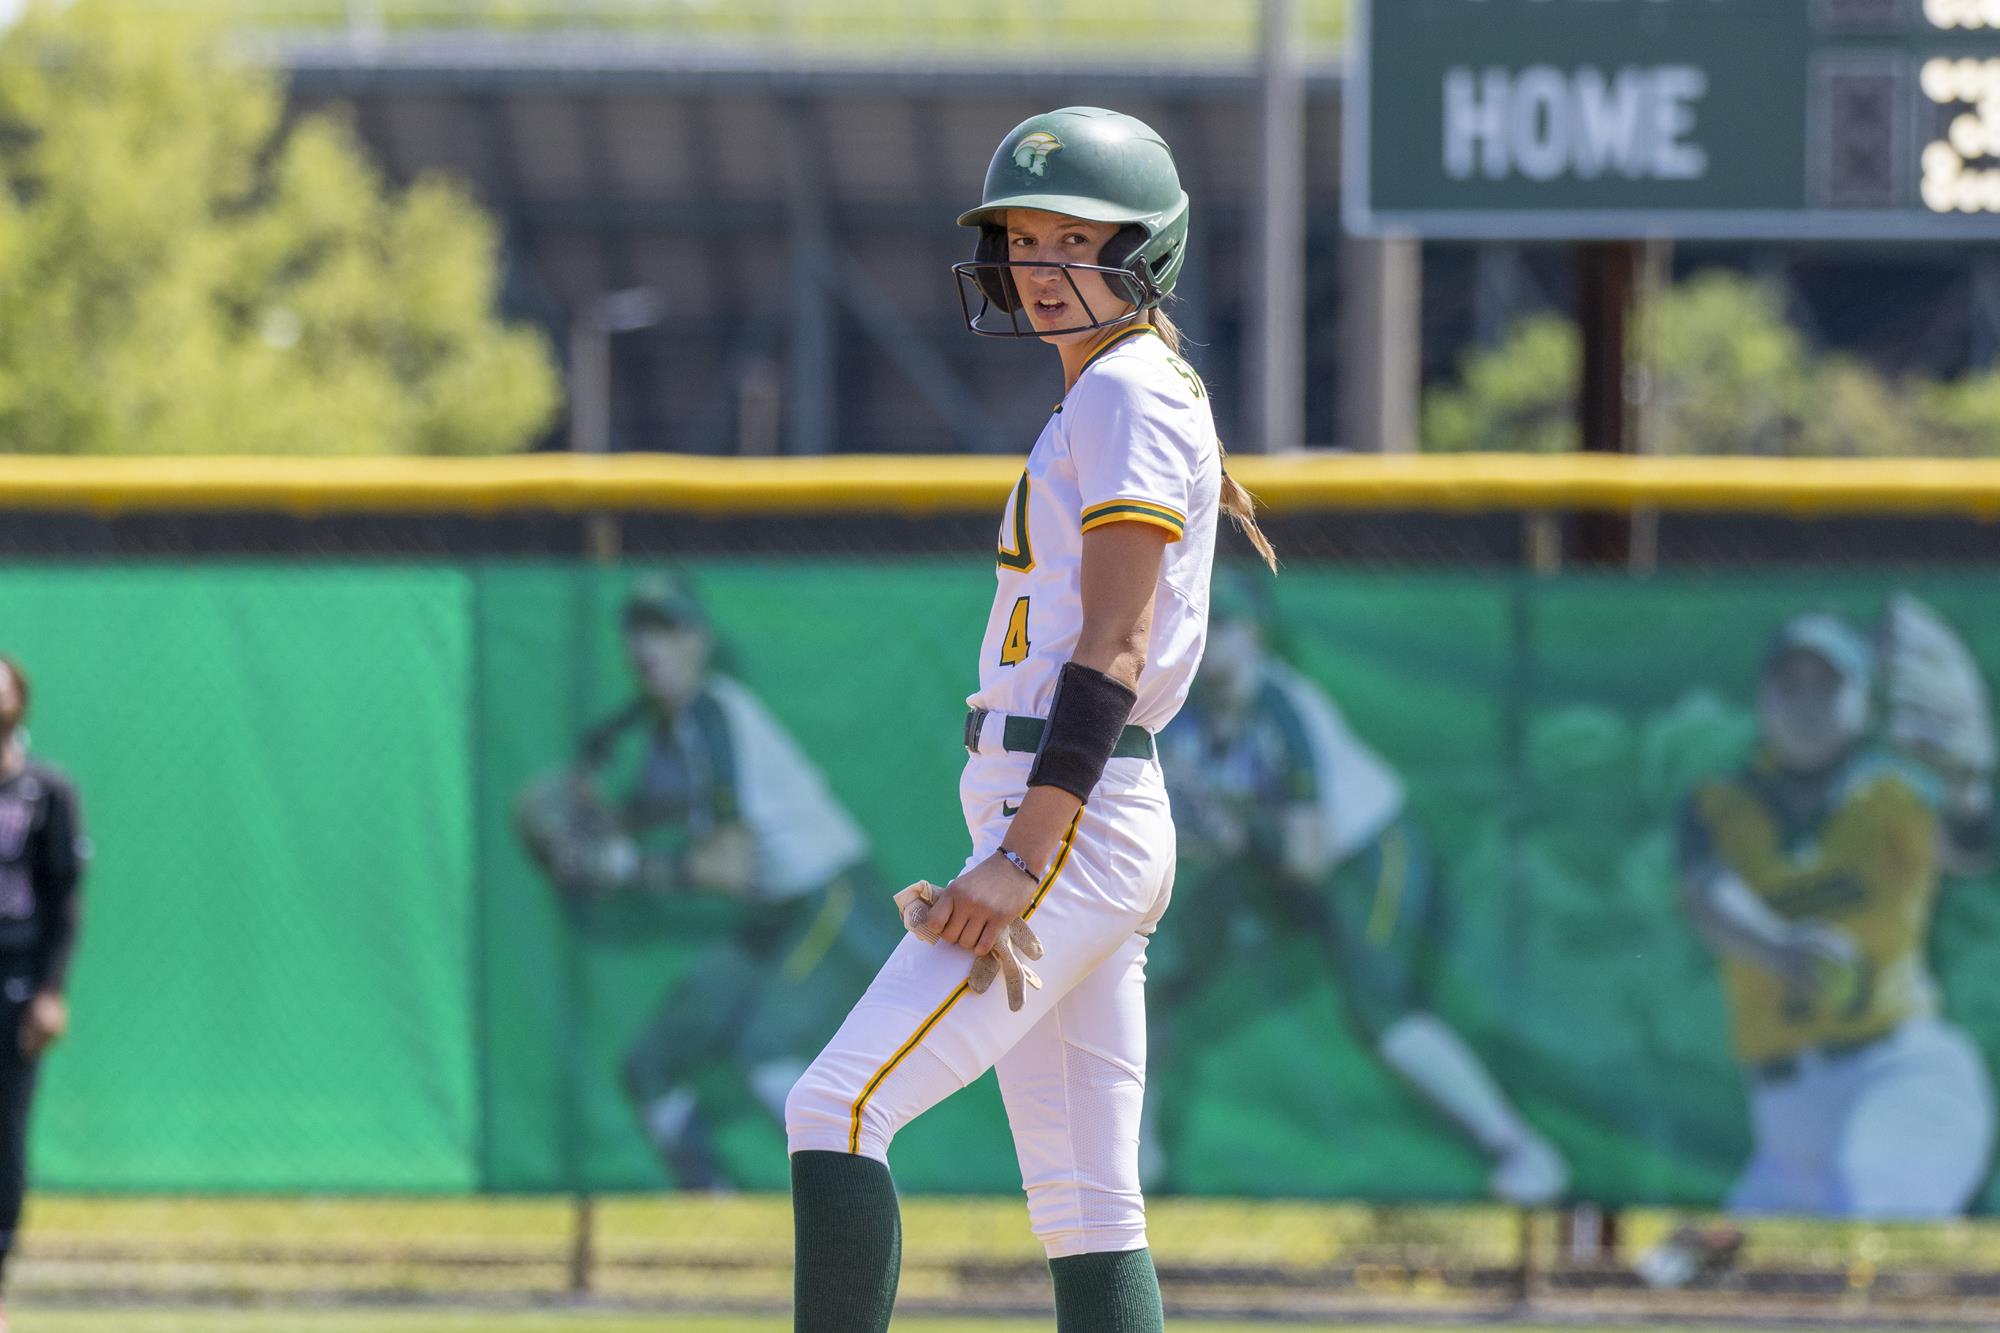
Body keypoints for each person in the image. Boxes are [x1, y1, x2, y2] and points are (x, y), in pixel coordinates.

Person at [783, 106, 1273, 1332]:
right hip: (1080, 809)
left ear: (1144, 250)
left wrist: (1020, 855)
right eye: (1022, 239)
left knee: (836, 1107)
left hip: (1070, 812)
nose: (1041, 269)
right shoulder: (1113, 392)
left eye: (1074, 239)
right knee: (1087, 1207)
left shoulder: (1126, 391)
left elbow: (1111, 647)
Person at [1153, 573, 1567, 1204]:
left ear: (1255, 633)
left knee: (1381, 1011)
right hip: (1270, 869)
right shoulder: (1180, 713)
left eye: (1223, 624)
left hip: (1369, 853)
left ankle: (1520, 1149)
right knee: (1157, 985)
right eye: (1194, 623)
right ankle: (1131, 1171)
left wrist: (1229, 831)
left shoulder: (1281, 708)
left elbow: (1306, 855)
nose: (1206, 640)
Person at [515, 574, 897, 1188]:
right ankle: (715, 1213)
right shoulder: (667, 731)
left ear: (698, 638)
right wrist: (593, 830)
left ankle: (873, 1210)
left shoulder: (710, 712)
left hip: (833, 900)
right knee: (650, 1065)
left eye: (667, 628)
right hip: (774, 918)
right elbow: (641, 816)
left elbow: (729, 866)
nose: (649, 645)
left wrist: (617, 864)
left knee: (769, 1053)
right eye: (638, 628)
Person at [1677, 601, 1996, 1218]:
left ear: (1865, 704)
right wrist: (1775, 947)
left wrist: (1967, 788)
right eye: (1789, 684)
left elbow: (1967, 851)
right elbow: (1705, 894)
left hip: (1902, 1079)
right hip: (1786, 1123)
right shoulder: (1718, 801)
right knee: (1688, 1288)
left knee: (1872, 1214)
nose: (1807, 702)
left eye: (1829, 685)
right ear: (1762, 697)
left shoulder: (1898, 791)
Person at [0, 654, 86, 1332]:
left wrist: (51, 989)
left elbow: (65, 900)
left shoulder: (46, 792)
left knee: (4, 1139)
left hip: (16, 984)